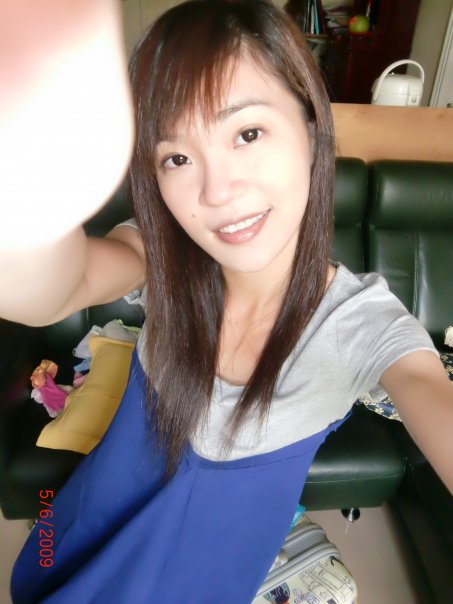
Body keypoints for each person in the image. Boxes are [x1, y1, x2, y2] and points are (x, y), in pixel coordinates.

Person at [4, 0, 453, 602]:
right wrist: (32, 181)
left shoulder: (362, 324)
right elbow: (47, 294)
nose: (217, 191)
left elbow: (428, 392)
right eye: (177, 158)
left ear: (310, 132)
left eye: (247, 133)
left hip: (208, 577)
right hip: (88, 525)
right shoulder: (164, 255)